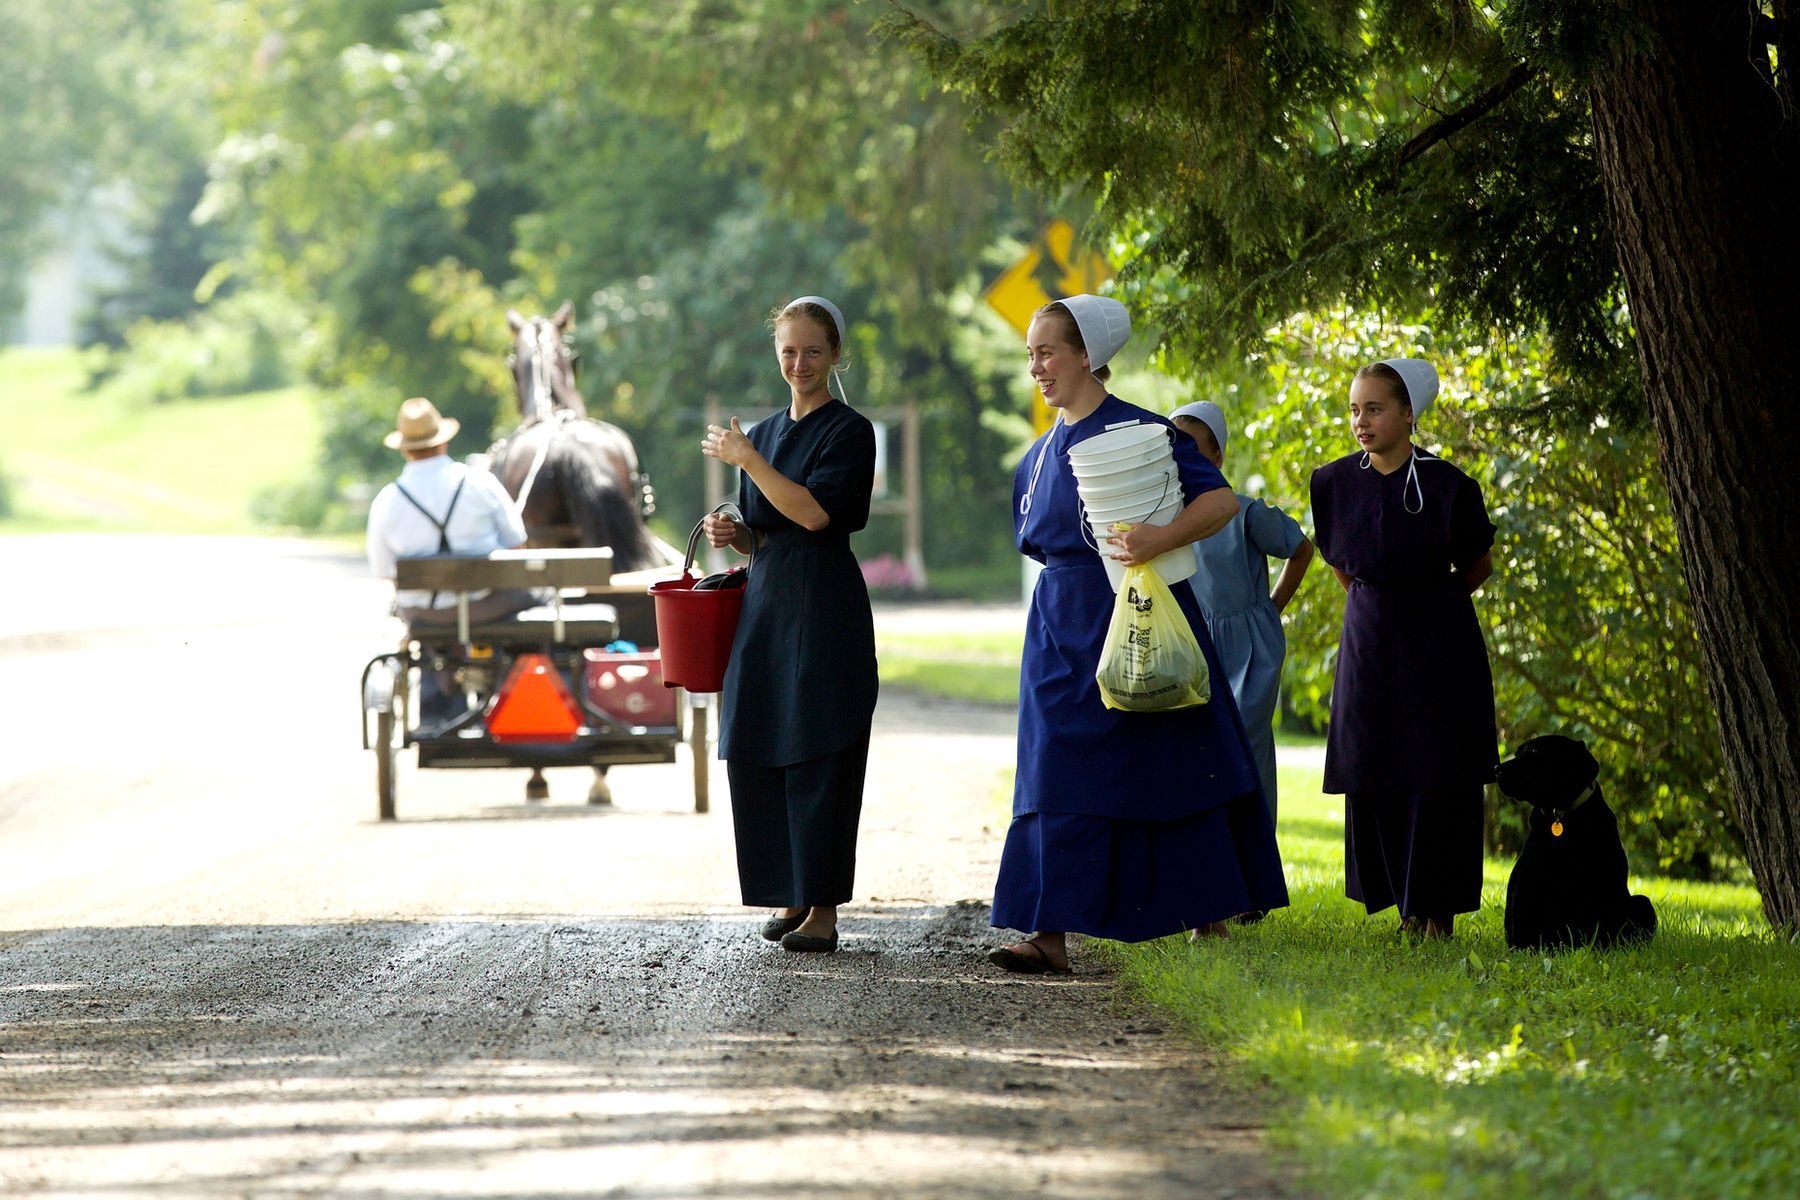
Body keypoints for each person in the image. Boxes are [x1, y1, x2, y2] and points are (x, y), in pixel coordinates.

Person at [990, 295, 1289, 975]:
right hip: (1060, 625)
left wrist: (1162, 536)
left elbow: (1219, 502)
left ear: (1086, 355)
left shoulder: (1147, 433)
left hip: (1144, 611)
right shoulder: (1036, 456)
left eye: (1047, 352)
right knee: (1053, 769)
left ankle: (1210, 911)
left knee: (1172, 757)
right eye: (1031, 354)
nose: (1036, 367)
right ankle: (1047, 932)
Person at [700, 296, 878, 955]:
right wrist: (736, 534)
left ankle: (823, 910)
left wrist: (748, 461)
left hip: (824, 606)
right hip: (768, 603)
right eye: (788, 351)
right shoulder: (766, 431)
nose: (799, 363)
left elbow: (812, 515)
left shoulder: (849, 432)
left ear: (835, 355)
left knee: (819, 744)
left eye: (812, 351)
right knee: (761, 739)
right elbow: (769, 529)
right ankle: (791, 892)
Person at [1309, 358, 1497, 940]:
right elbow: (1341, 563)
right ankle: (1403, 906)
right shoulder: (1333, 483)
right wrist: (1378, 604)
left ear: (1409, 413)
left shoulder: (1450, 486)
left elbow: (1478, 566)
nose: (1360, 422)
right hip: (1369, 641)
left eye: (1374, 409)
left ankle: (1438, 913)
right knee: (1378, 765)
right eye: (1354, 410)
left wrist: (1425, 605)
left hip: (1438, 644)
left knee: (1437, 771)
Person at [1169, 400, 1315, 821]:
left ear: (1216, 457)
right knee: (1194, 757)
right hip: (1190, 649)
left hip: (1245, 654)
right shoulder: (1165, 520)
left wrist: (1270, 608)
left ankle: (1253, 843)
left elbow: (1300, 549)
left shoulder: (1242, 512)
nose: (1181, 460)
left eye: (1193, 450)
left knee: (1244, 750)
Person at [366, 396, 545, 727]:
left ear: (405, 450)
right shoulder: (478, 481)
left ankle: (440, 698)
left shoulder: (387, 500)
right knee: (539, 595)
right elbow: (517, 544)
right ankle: (513, 690)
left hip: (424, 614)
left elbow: (384, 571)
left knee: (418, 618)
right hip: (484, 607)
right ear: (443, 441)